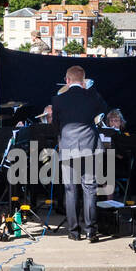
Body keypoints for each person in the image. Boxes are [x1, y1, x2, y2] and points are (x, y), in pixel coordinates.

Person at [51, 66, 108, 242]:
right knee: (90, 189)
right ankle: (91, 231)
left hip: (68, 147)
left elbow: (55, 126)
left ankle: (74, 232)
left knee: (70, 190)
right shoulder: (91, 97)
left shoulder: (58, 100)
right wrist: (90, 89)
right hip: (89, 146)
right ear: (83, 81)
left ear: (67, 81)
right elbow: (104, 108)